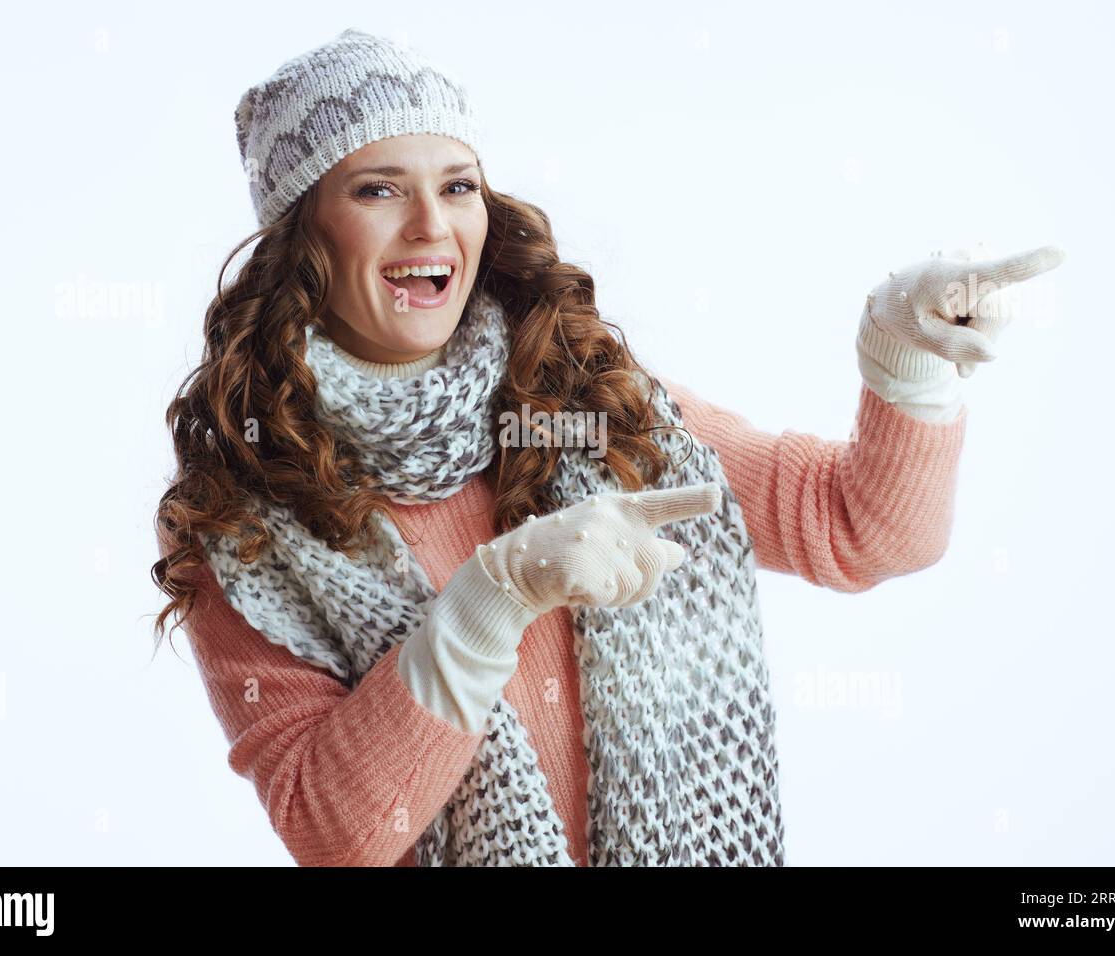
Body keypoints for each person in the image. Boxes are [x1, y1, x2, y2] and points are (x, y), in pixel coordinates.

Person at [150, 28, 1064, 867]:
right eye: (379, 188)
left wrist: (906, 358)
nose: (432, 225)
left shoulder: (590, 400)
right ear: (303, 231)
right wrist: (490, 599)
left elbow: (862, 529)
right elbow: (335, 831)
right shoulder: (235, 524)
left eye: (458, 185)